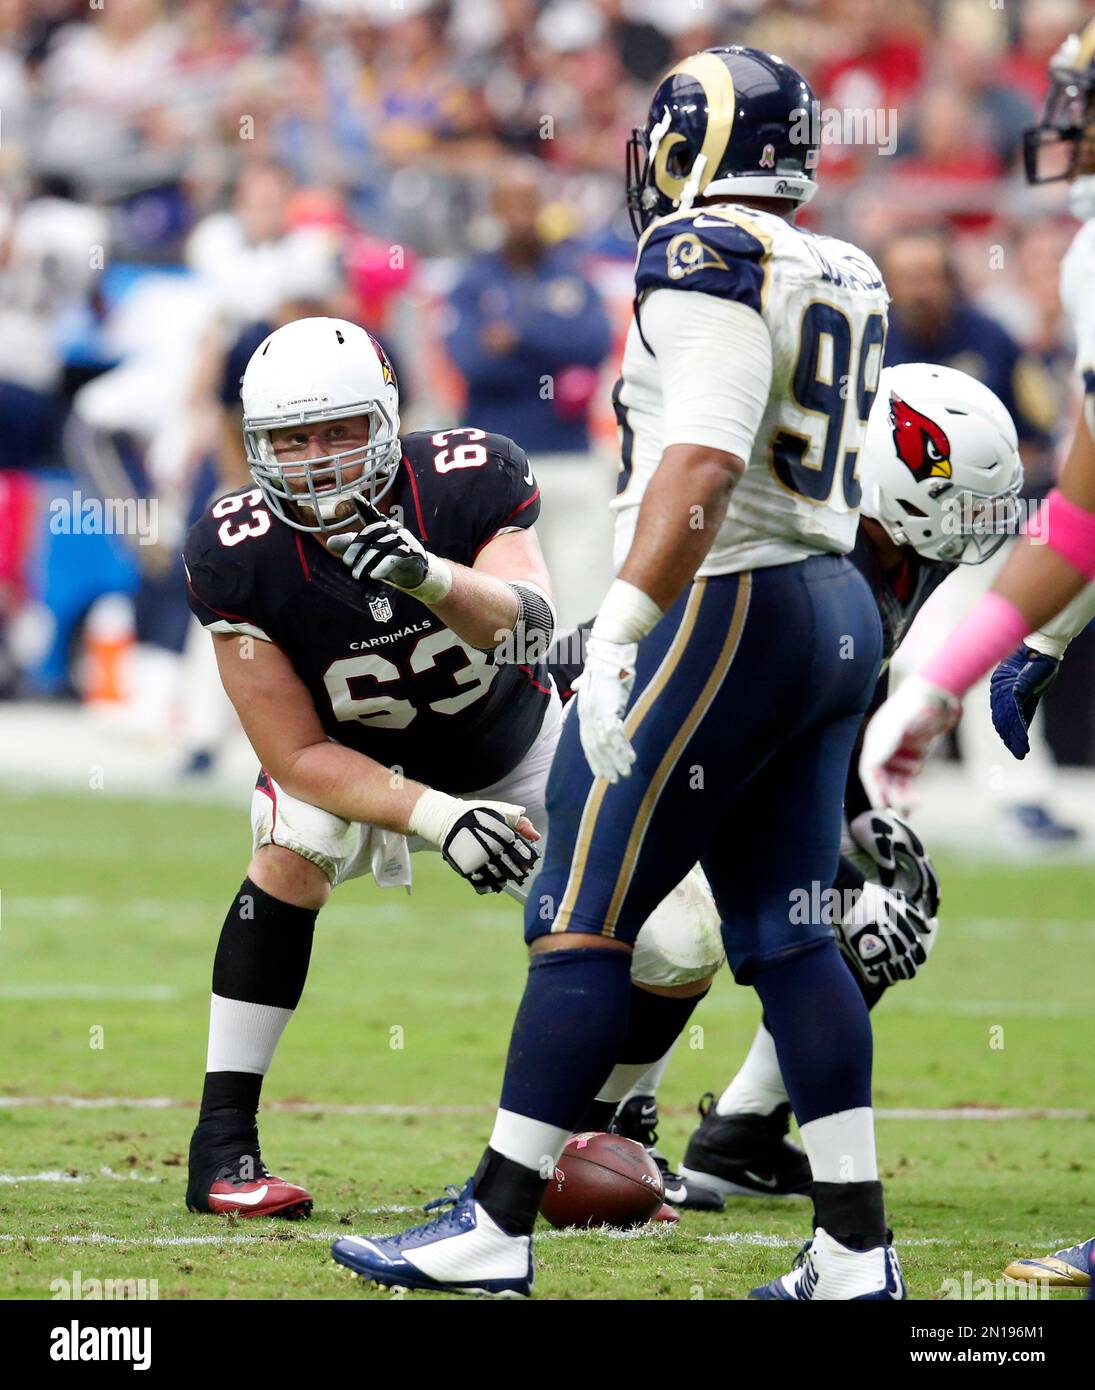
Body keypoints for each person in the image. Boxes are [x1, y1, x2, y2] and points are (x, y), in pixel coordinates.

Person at [330, 46, 901, 1301]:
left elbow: (697, 464)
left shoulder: (704, 253)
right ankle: (858, 1251)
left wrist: (628, 629)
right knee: (792, 935)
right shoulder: (844, 260)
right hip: (830, 602)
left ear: (687, 144)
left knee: (579, 914)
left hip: (729, 598)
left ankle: (495, 1223)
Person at [182, 315, 724, 1219]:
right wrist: (438, 816)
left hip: (516, 739)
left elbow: (533, 628)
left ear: (388, 418)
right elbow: (294, 753)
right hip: (351, 763)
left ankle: (596, 1137)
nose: (316, 459)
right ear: (256, 444)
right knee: (295, 837)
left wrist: (425, 576)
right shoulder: (231, 551)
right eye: (292, 439)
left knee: (682, 935)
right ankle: (222, 1142)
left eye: (340, 430)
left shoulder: (469, 477)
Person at [675, 365, 1024, 1200]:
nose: (972, 530)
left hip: (742, 764)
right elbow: (739, 766)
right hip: (661, 769)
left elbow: (831, 718)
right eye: (962, 505)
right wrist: (835, 876)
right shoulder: (812, 554)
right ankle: (612, 1132)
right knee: (674, 936)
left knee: (895, 905)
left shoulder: (899, 552)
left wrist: (860, 828)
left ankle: (741, 1133)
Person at [860, 17, 1095, 814]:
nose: (1066, 127)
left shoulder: (1006, 320)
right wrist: (1044, 636)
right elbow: (1083, 509)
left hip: (985, 525)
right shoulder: (1080, 262)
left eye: (1086, 106)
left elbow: (1061, 483)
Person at [445, 159, 614, 627]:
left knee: (582, 606)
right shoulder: (471, 281)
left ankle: (582, 697)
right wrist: (553, 349)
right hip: (494, 470)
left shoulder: (570, 271)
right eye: (510, 203)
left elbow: (595, 343)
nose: (520, 214)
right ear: (494, 211)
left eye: (529, 202)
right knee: (507, 614)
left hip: (571, 457)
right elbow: (473, 365)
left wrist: (516, 337)